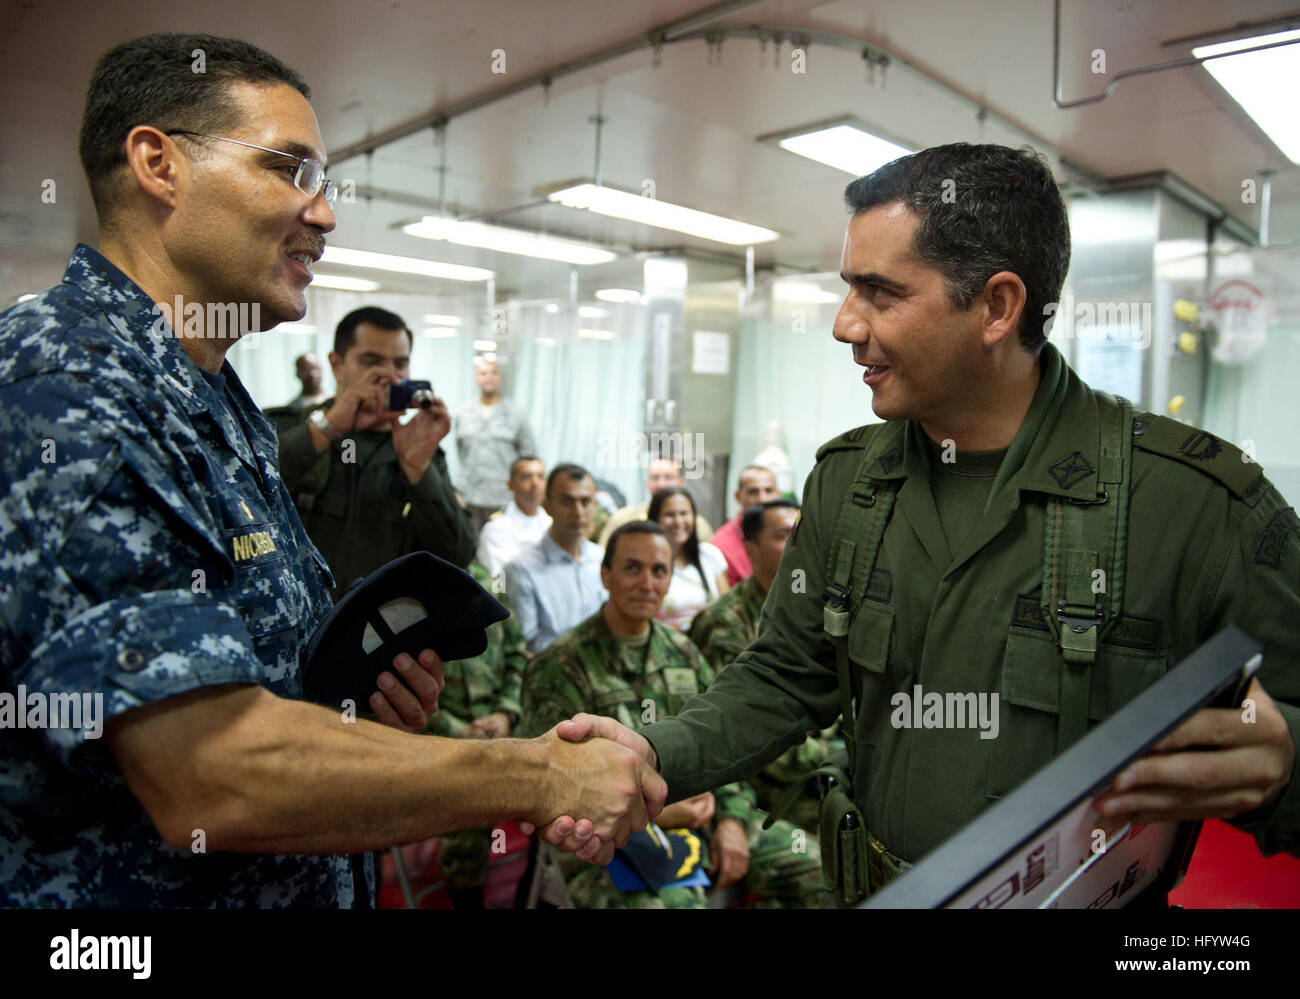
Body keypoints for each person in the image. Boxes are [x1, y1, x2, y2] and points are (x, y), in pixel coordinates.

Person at [0, 32, 662, 908]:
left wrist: (350, 718)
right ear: (159, 164)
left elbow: (252, 674)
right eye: (289, 169)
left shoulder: (208, 393)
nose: (324, 213)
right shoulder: (67, 383)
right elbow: (207, 770)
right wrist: (533, 775)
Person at [532, 143, 1300, 897]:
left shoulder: (1193, 506)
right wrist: (652, 749)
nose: (843, 324)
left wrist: (1287, 760)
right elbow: (781, 677)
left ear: (997, 306)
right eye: (847, 288)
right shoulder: (849, 485)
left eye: (881, 293)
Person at [520, 522, 820, 908]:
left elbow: (723, 742)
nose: (647, 582)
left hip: (700, 820)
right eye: (632, 568)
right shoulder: (560, 665)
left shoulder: (682, 651)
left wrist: (730, 819)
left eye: (659, 570)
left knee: (818, 871)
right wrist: (652, 813)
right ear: (605, 575)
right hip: (609, 837)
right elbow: (551, 784)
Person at [268, 306, 476, 599]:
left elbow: (457, 554)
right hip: (296, 616)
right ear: (336, 365)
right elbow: (243, 489)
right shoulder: (287, 427)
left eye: (400, 365)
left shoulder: (418, 451)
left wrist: (418, 471)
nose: (388, 376)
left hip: (374, 632)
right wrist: (331, 425)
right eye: (370, 362)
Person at [688, 499, 830, 834]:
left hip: (822, 767)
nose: (799, 545)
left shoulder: (817, 607)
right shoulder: (724, 624)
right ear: (751, 549)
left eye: (803, 533)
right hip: (763, 784)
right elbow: (741, 725)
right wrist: (827, 758)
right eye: (784, 536)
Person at [420, 560, 527, 908]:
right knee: (465, 820)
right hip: (438, 734)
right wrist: (455, 729)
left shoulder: (491, 583)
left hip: (500, 728)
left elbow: (516, 654)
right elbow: (394, 678)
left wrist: (506, 712)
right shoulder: (411, 587)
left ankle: (533, 887)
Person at [504, 463, 605, 653]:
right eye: (567, 501)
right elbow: (524, 646)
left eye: (585, 501)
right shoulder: (521, 568)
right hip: (551, 673)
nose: (578, 512)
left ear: (595, 505)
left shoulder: (602, 559)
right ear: (547, 505)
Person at [455, 357, 537, 534]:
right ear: (476, 378)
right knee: (469, 552)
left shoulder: (516, 413)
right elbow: (461, 451)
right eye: (483, 373)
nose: (488, 378)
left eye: (493, 373)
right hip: (470, 496)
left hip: (503, 499)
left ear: (500, 377)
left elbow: (527, 455)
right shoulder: (464, 412)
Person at [649, 486, 729, 632]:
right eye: (669, 515)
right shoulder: (646, 562)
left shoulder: (710, 555)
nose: (678, 521)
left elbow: (727, 608)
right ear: (655, 519)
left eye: (684, 513)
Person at [598, 456, 714, 546]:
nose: (661, 484)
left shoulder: (696, 525)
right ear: (647, 483)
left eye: (668, 477)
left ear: (681, 482)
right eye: (655, 478)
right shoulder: (622, 520)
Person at [475, 456, 551, 576]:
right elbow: (504, 579)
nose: (535, 483)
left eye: (540, 476)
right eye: (526, 476)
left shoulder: (552, 524)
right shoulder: (496, 529)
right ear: (511, 484)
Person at [709, 464, 781, 586]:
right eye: (753, 492)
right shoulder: (720, 546)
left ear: (778, 495)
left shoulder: (791, 535)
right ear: (738, 497)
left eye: (768, 490)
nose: (762, 499)